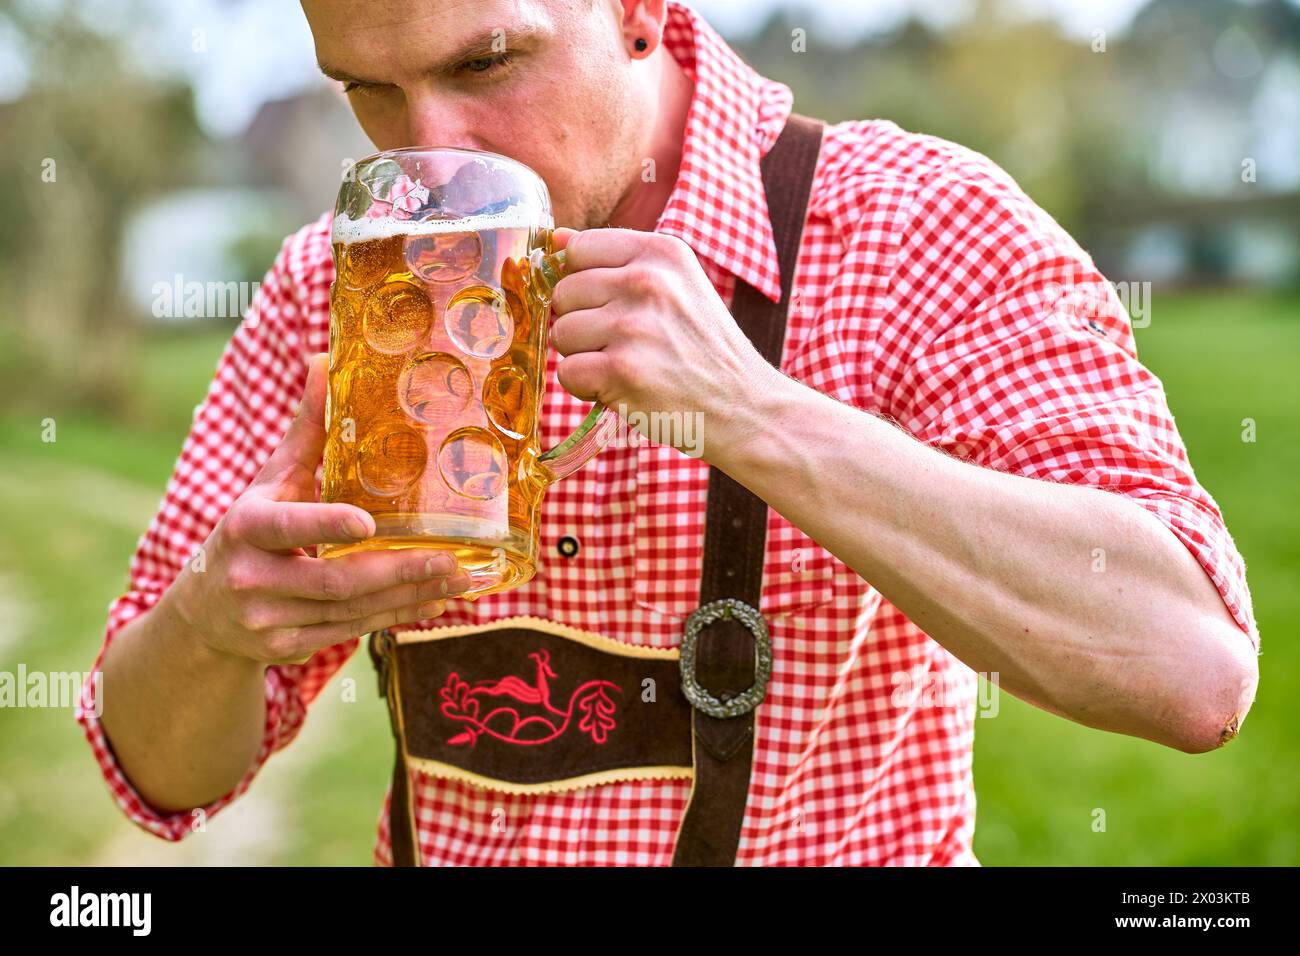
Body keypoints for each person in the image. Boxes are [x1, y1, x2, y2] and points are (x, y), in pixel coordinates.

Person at [77, 0, 1259, 866]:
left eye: (487, 62)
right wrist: (213, 625)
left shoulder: (908, 225)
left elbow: (1191, 670)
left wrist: (754, 410)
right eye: (367, 90)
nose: (431, 155)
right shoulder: (338, 291)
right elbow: (155, 769)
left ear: (640, 11)